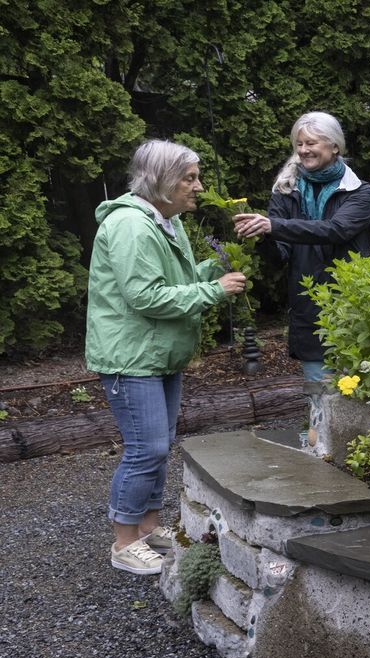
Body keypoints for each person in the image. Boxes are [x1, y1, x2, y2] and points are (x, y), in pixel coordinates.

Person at [87, 139, 248, 575]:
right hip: (130, 356)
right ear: (160, 181)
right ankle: (124, 543)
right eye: (189, 178)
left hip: (156, 354)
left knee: (158, 448)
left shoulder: (163, 222)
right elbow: (145, 296)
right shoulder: (132, 226)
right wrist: (213, 291)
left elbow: (173, 281)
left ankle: (148, 530)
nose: (197, 187)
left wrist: (215, 268)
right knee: (146, 448)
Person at [234, 111, 370, 387]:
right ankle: (315, 431)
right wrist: (261, 237)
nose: (304, 150)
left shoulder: (359, 192)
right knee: (317, 390)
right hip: (308, 304)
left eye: (312, 143)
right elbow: (279, 258)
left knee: (356, 389)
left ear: (335, 146)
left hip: (352, 303)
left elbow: (336, 230)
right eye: (299, 144)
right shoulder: (285, 191)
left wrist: (273, 226)